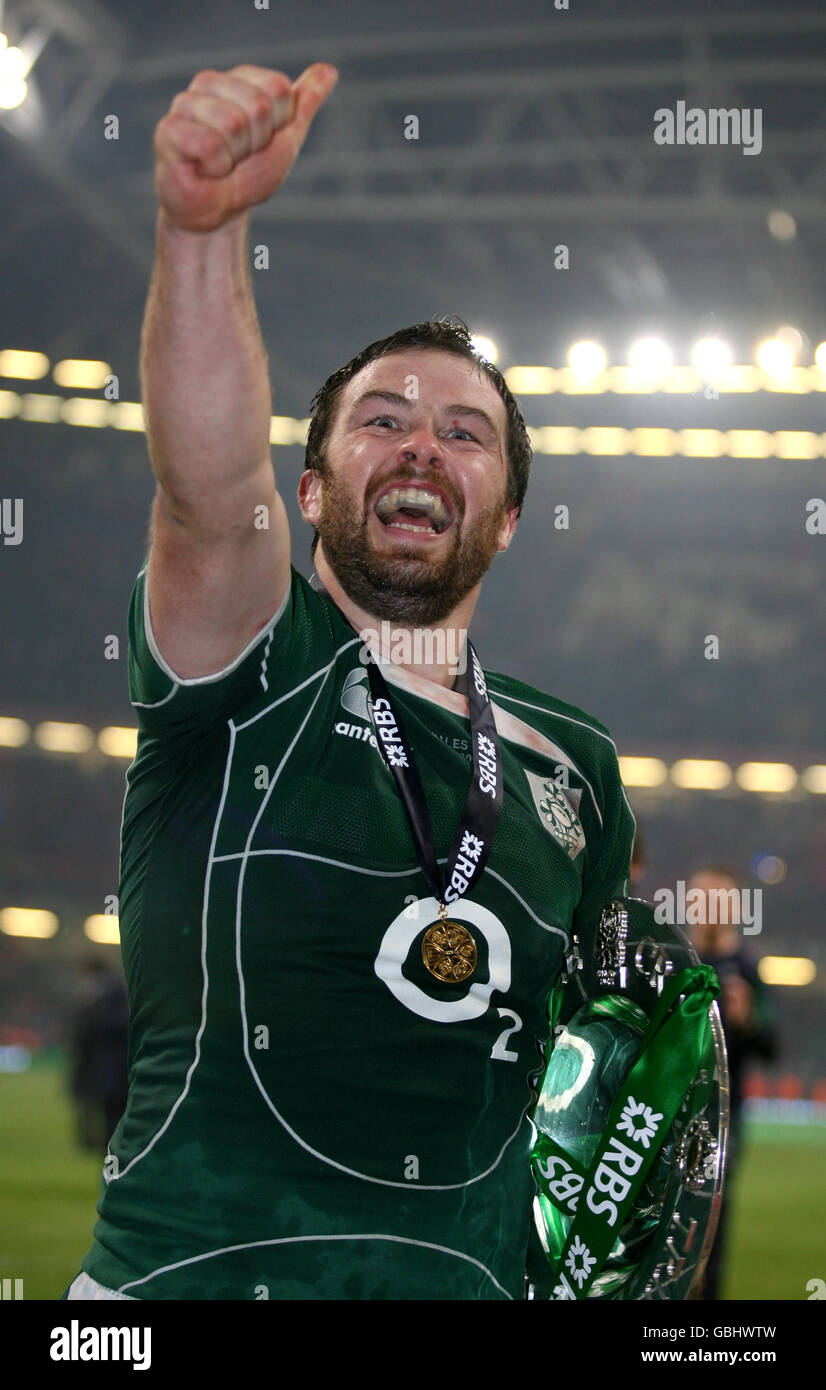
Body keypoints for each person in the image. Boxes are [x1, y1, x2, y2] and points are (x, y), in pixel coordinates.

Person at [62, 62, 635, 1301]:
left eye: (465, 432)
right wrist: (204, 232)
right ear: (310, 492)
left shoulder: (573, 761)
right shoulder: (250, 659)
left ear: (509, 516)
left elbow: (595, 1048)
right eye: (381, 419)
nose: (424, 441)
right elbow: (209, 499)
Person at [686, 864, 777, 1300]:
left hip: (723, 1118)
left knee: (710, 1229)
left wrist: (748, 1020)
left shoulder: (748, 967)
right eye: (700, 898)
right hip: (665, 1109)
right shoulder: (675, 957)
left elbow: (772, 1046)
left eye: (716, 900)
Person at [67, 958, 129, 1153]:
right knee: (105, 1111)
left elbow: (101, 1029)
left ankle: (109, 1147)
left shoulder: (108, 996)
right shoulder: (108, 995)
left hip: (110, 1071)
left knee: (111, 1113)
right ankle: (103, 1145)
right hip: (105, 1070)